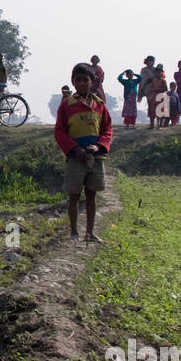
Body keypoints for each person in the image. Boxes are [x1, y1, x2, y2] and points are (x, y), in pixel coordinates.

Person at [55, 62, 112, 244]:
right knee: (73, 195)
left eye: (85, 80)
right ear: (72, 82)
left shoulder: (99, 105)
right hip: (75, 158)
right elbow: (60, 131)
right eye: (77, 80)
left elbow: (107, 129)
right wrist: (74, 148)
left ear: (92, 81)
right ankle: (73, 232)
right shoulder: (67, 105)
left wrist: (98, 146)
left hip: (95, 157)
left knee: (92, 194)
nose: (81, 83)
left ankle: (90, 232)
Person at [146, 65, 169, 130]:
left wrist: (157, 90)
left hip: (161, 97)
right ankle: (152, 125)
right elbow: (151, 88)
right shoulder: (154, 80)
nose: (158, 74)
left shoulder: (163, 81)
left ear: (161, 73)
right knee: (152, 111)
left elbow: (165, 89)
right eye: (156, 72)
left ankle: (160, 125)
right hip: (154, 97)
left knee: (160, 111)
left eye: (159, 72)